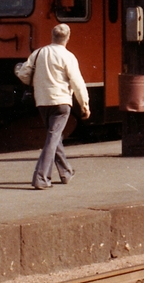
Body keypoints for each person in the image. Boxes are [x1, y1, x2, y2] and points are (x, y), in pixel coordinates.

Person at [15, 24, 90, 190]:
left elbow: (22, 73)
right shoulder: (68, 56)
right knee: (53, 138)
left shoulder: (39, 53)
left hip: (42, 102)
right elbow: (77, 83)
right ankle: (41, 178)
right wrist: (85, 105)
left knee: (53, 137)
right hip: (61, 103)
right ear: (67, 38)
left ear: (52, 36)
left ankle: (66, 172)